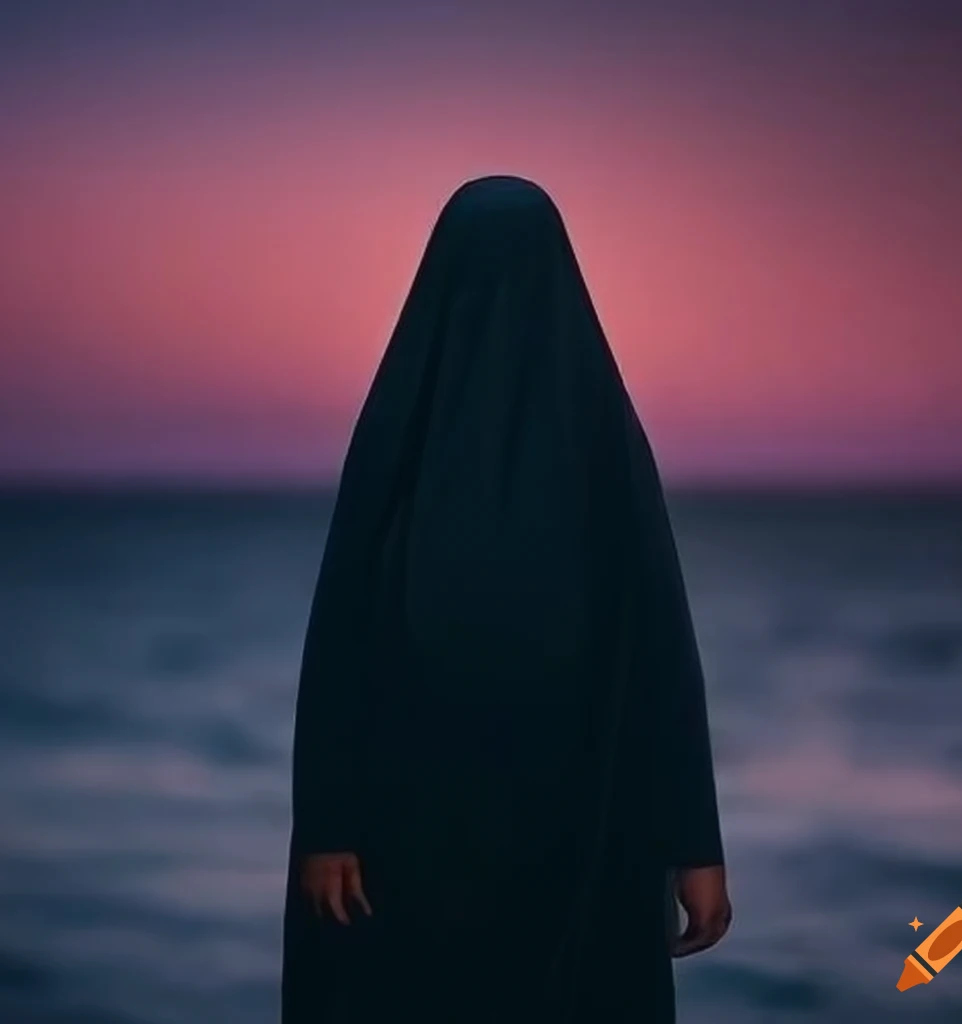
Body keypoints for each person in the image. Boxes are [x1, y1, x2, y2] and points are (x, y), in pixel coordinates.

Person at [280, 175, 731, 1024]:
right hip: (408, 833)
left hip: (581, 824)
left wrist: (695, 845)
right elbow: (340, 631)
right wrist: (328, 825)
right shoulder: (399, 436)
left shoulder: (602, 446)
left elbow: (660, 648)